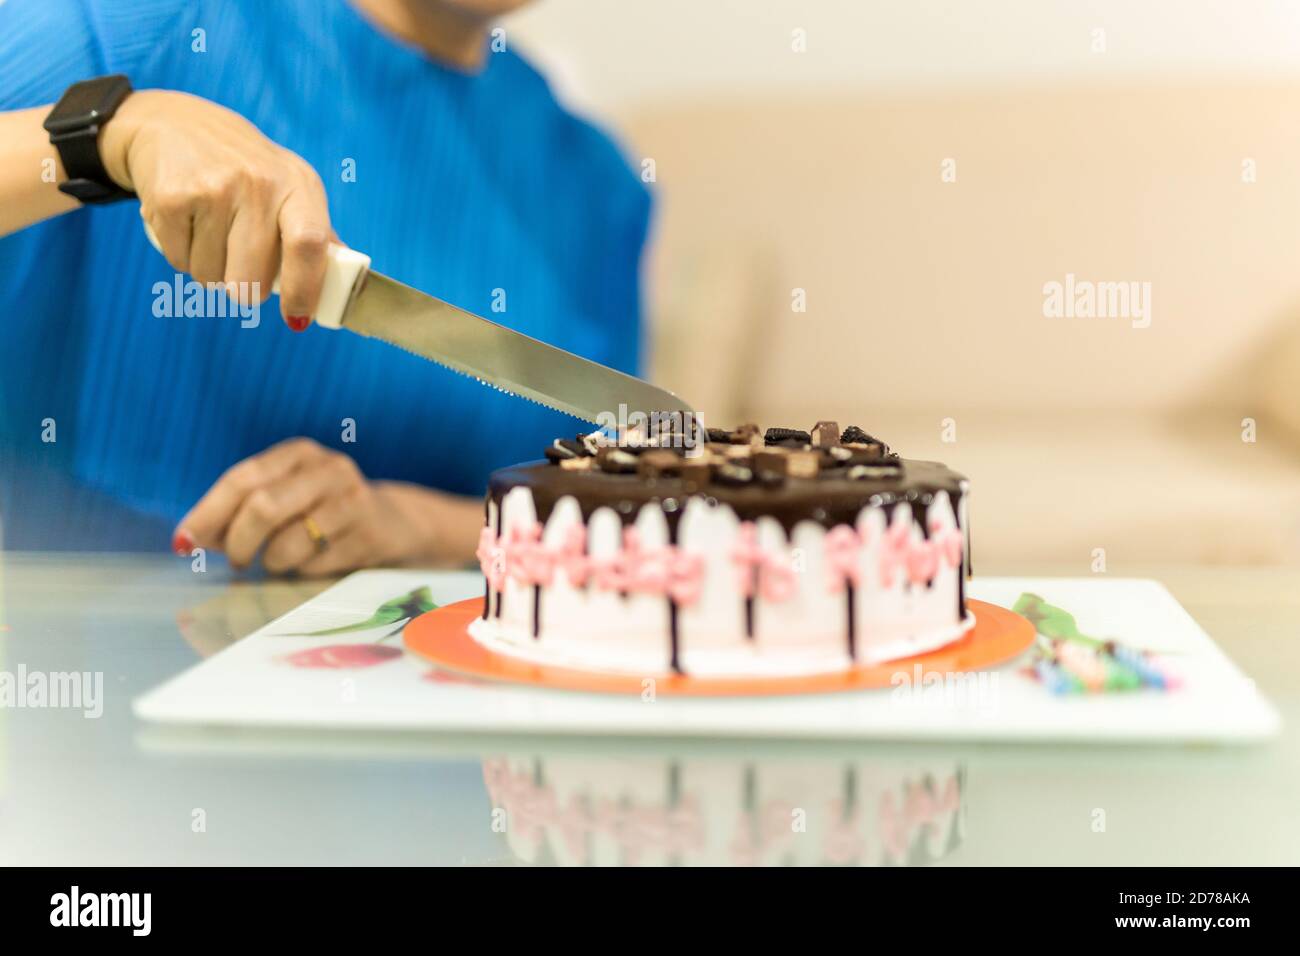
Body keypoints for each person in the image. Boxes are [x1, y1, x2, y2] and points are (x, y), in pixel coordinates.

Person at [0, 0, 650, 573]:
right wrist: (109, 134)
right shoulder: (128, 28)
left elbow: (612, 520)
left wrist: (425, 527)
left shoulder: (597, 189)